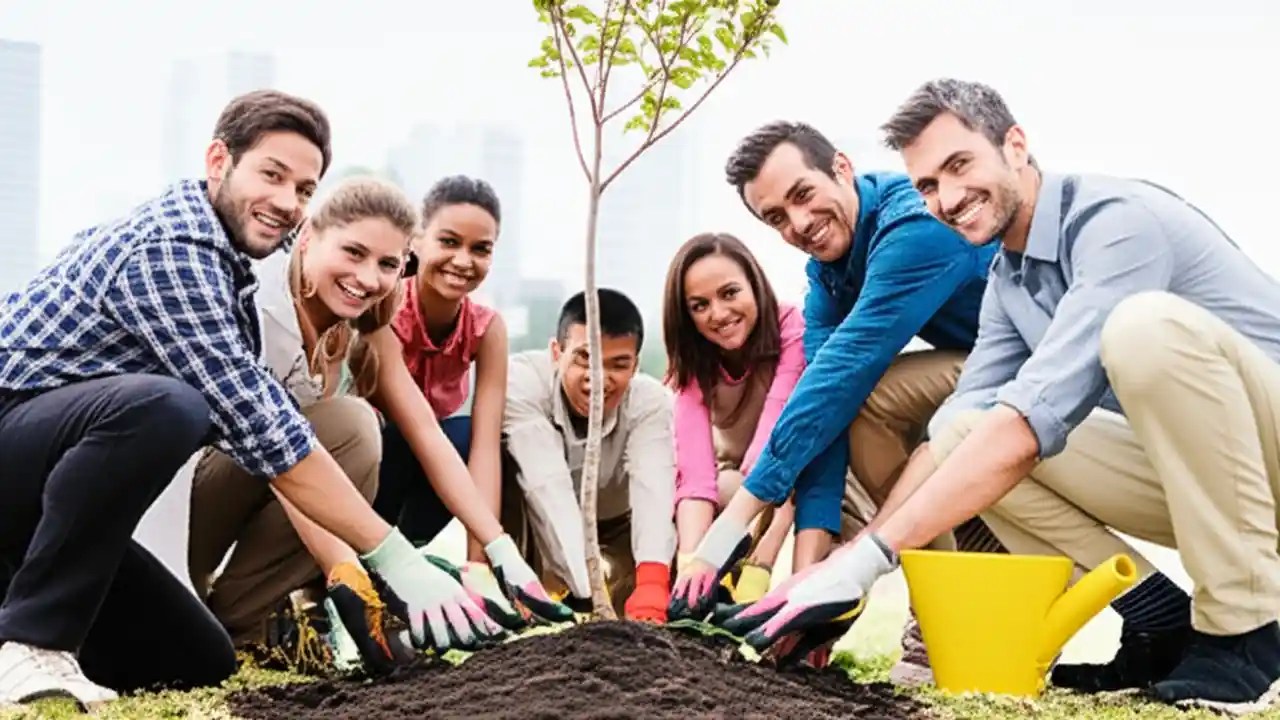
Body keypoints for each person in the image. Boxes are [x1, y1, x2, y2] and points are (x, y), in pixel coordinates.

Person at [725, 78, 1280, 714]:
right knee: (965, 434)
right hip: (1216, 482)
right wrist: (847, 560)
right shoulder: (1007, 284)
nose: (948, 198)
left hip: (1267, 441)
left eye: (959, 165)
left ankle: (1243, 628)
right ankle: (1159, 620)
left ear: (1014, 145)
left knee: (1140, 328)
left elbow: (1029, 423)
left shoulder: (1116, 223)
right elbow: (964, 427)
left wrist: (865, 556)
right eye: (928, 186)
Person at [0, 90, 502, 710]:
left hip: (44, 504)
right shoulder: (171, 250)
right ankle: (30, 642)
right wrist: (393, 557)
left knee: (196, 659)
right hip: (12, 439)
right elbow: (263, 427)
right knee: (170, 406)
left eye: (303, 187)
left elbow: (271, 435)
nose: (287, 202)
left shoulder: (227, 266)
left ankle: (22, 615)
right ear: (219, 160)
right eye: (272, 174)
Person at [187, 176, 570, 675]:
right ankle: (221, 598)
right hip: (191, 501)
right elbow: (279, 455)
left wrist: (495, 550)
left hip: (291, 483)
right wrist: (350, 569)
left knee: (360, 431)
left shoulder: (367, 321)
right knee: (352, 425)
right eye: (353, 252)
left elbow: (429, 435)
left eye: (387, 264)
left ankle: (238, 620)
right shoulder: (264, 309)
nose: (368, 277)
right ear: (309, 237)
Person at [667, 119, 1009, 675]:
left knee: (862, 393)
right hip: (978, 378)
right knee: (846, 409)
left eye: (803, 195)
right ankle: (945, 610)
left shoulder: (918, 226)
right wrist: (807, 581)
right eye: (776, 217)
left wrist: (731, 528)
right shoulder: (826, 279)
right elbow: (824, 415)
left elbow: (843, 375)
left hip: (1039, 375)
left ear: (842, 168)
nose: (799, 223)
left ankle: (957, 589)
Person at [371, 176, 518, 609]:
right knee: (392, 440)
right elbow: (411, 429)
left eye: (480, 249)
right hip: (375, 461)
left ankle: (416, 565)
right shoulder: (387, 308)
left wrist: (482, 565)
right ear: (416, 239)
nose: (462, 260)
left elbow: (486, 447)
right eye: (449, 242)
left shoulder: (487, 327)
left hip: (435, 470)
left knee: (472, 435)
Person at [501, 289, 676, 622]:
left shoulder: (650, 401)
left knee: (640, 622)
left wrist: (652, 579)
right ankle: (517, 595)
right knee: (542, 616)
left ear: (635, 365)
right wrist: (588, 595)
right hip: (536, 522)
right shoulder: (522, 383)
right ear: (557, 352)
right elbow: (546, 485)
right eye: (584, 358)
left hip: (621, 519)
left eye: (618, 365)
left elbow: (653, 488)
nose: (598, 380)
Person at [660, 232, 800, 607]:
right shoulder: (692, 366)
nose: (718, 314)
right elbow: (696, 476)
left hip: (795, 472)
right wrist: (692, 561)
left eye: (729, 293)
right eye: (699, 305)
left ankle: (757, 572)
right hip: (735, 479)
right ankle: (715, 589)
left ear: (754, 285)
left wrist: (761, 560)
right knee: (719, 487)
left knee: (792, 493)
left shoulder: (792, 328)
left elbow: (775, 430)